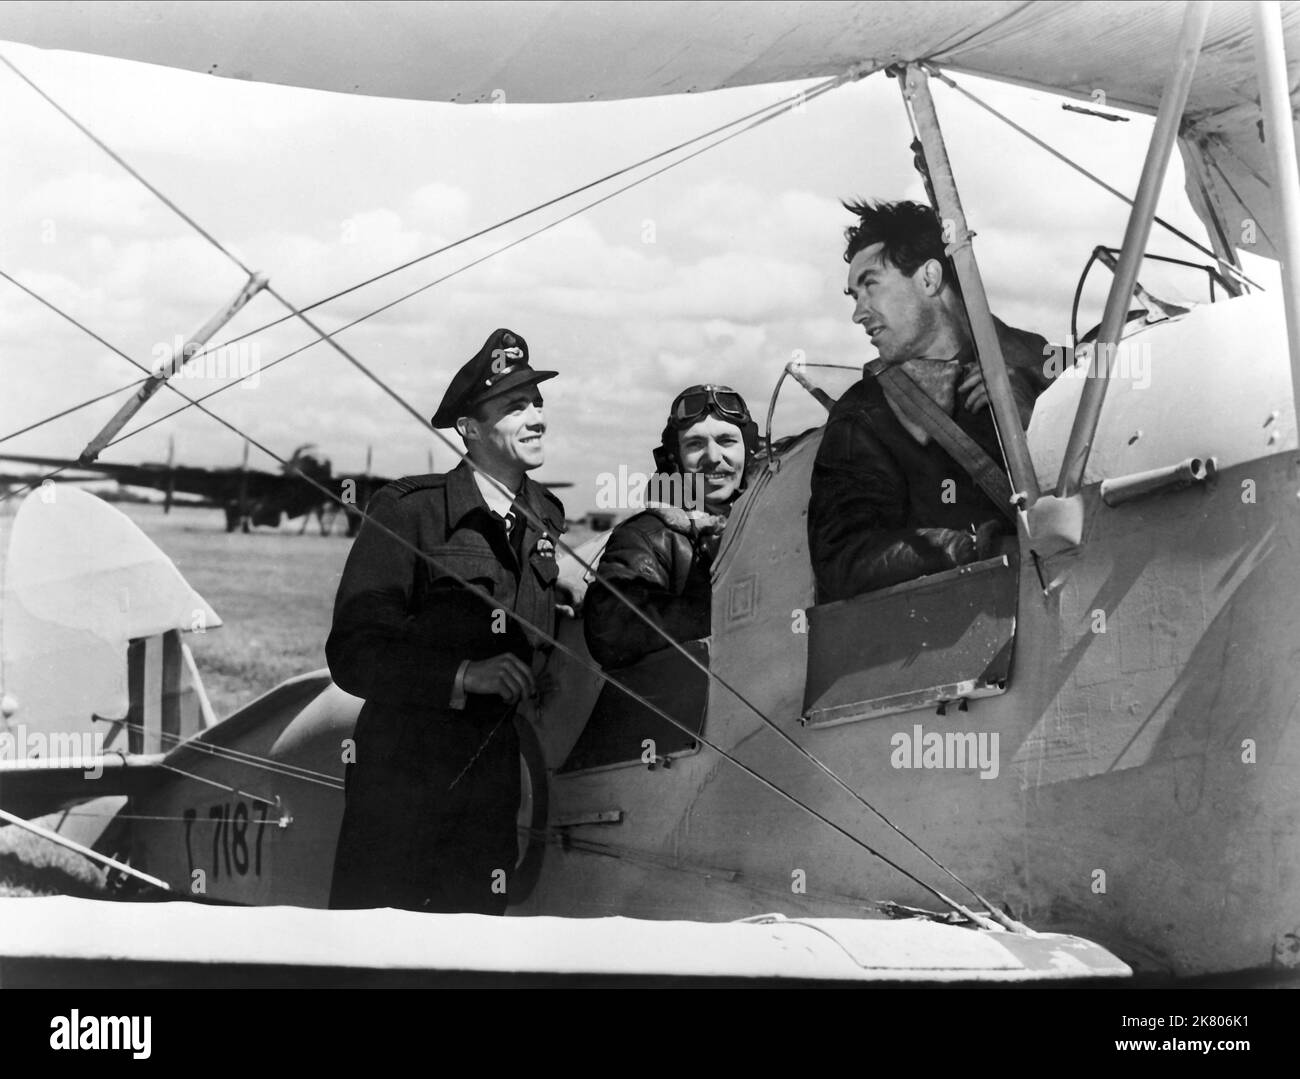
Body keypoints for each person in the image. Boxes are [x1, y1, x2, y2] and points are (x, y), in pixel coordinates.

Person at [326, 327, 566, 914]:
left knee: (471, 960)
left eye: (537, 402)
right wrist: (463, 675)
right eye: (514, 405)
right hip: (401, 776)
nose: (535, 416)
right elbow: (353, 653)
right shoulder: (411, 511)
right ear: (471, 428)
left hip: (492, 783)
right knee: (378, 961)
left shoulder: (545, 517)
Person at [807, 199, 1051, 603]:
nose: (858, 313)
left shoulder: (1042, 365)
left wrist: (1037, 415)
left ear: (929, 278)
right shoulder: (865, 415)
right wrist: (974, 549)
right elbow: (844, 559)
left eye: (871, 285)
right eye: (854, 295)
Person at [583, 384, 758, 671]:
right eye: (695, 444)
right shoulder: (647, 536)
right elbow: (610, 627)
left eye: (727, 441)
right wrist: (729, 610)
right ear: (675, 460)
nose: (713, 457)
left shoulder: (770, 518)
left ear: (748, 451)